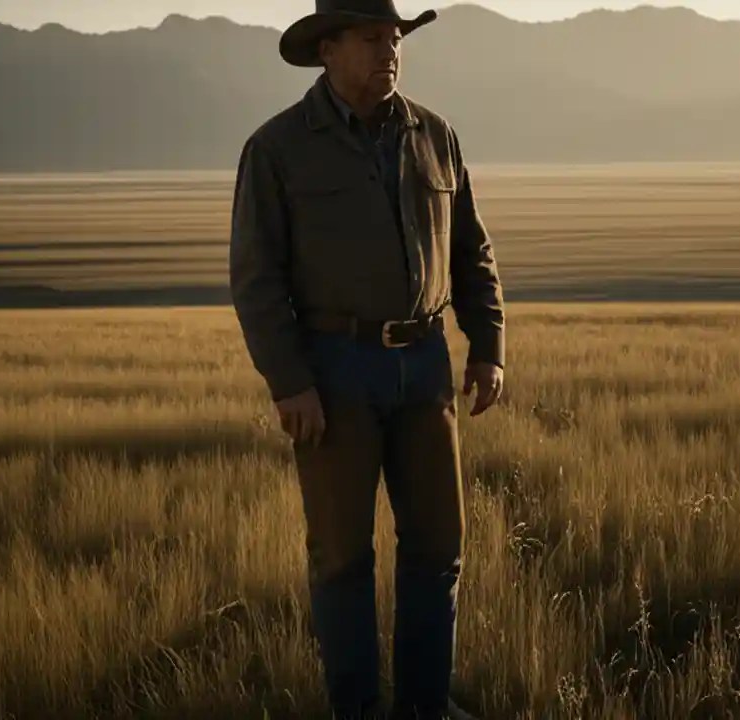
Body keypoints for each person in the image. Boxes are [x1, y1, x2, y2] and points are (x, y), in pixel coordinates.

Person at [229, 1, 506, 717]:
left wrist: (488, 345)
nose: (389, 51)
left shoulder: (434, 134)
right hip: (334, 369)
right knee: (344, 558)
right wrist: (290, 382)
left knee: (437, 550)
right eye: (370, 39)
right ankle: (355, 708)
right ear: (328, 50)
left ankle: (424, 706)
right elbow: (257, 279)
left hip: (427, 364)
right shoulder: (279, 148)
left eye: (394, 38)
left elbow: (471, 249)